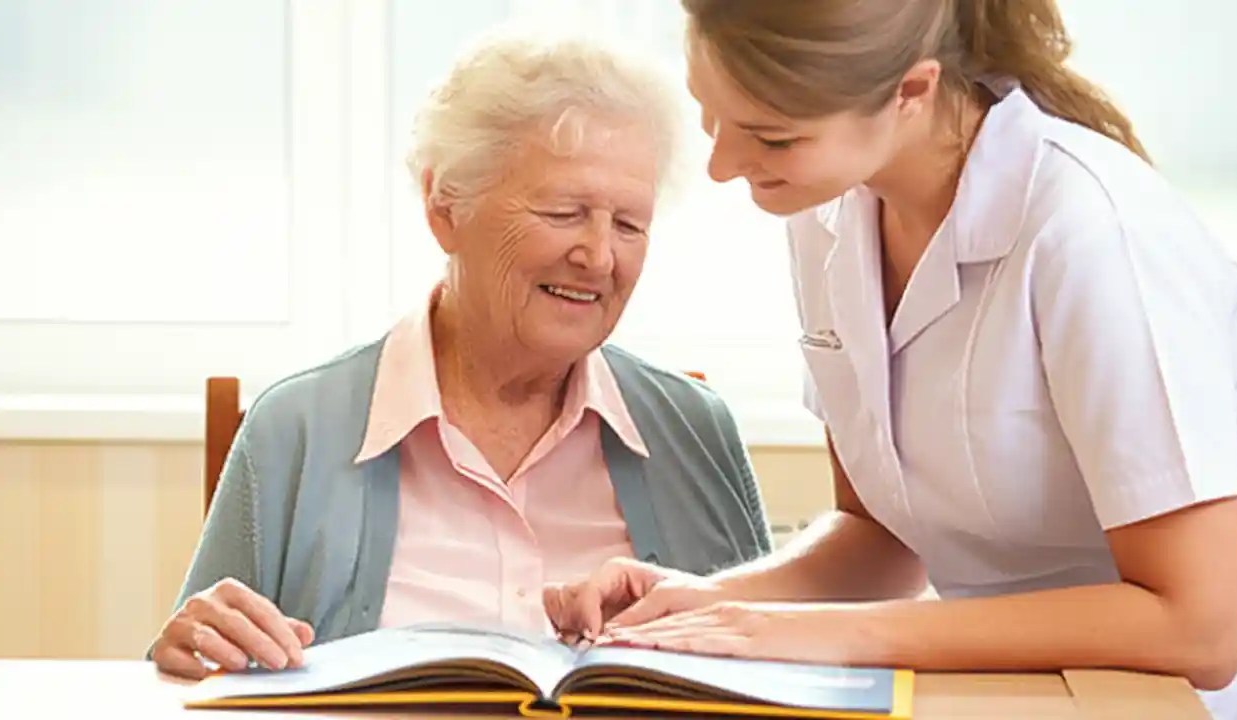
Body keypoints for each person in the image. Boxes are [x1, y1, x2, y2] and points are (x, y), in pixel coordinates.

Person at [544, 2, 1237, 718]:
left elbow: (1200, 628)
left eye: (773, 137)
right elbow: (883, 538)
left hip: (1171, 700)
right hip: (1003, 691)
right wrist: (712, 601)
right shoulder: (827, 213)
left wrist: (819, 634)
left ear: (913, 92)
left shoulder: (1092, 236)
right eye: (711, 116)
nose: (723, 165)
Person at [150, 30, 772, 680]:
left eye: (628, 224)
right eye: (563, 212)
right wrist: (191, 650)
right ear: (444, 206)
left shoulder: (695, 433)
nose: (598, 257)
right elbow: (190, 672)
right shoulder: (295, 431)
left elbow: (780, 675)